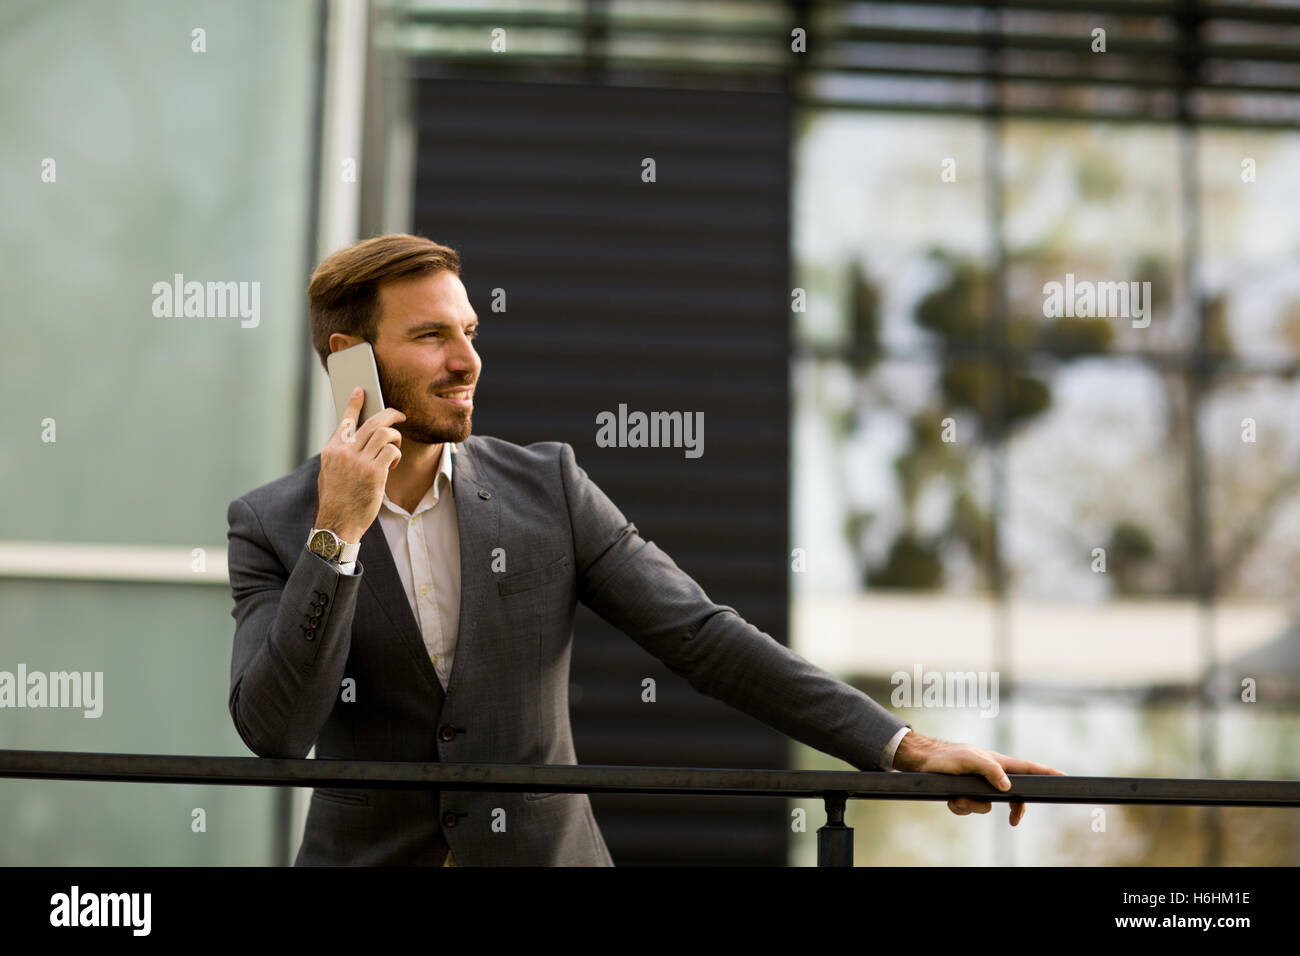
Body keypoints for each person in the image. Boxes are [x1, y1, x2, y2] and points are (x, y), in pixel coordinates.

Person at [225, 233, 1064, 866]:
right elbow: (275, 728)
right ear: (353, 361)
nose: (468, 360)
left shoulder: (546, 487)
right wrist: (336, 538)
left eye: (471, 330)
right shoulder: (271, 522)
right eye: (432, 337)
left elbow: (700, 635)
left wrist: (902, 746)